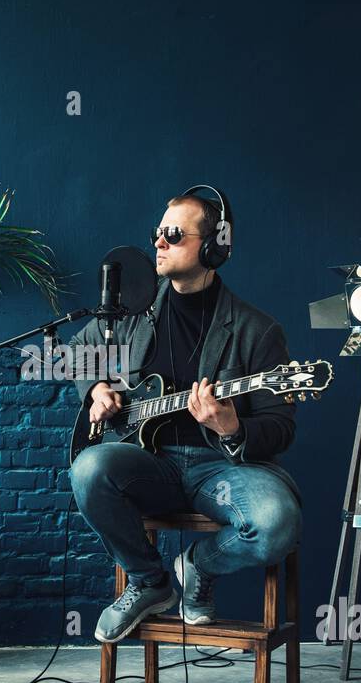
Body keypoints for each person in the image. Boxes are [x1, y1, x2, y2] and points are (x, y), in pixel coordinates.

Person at [67, 189, 303, 643]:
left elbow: (280, 428)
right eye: (158, 234)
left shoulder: (257, 329)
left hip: (220, 468)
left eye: (173, 235)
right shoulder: (135, 310)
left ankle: (197, 566)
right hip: (148, 466)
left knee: (276, 522)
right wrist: (97, 389)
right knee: (89, 468)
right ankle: (149, 582)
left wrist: (232, 427)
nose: (159, 243)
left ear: (213, 247)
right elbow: (77, 352)